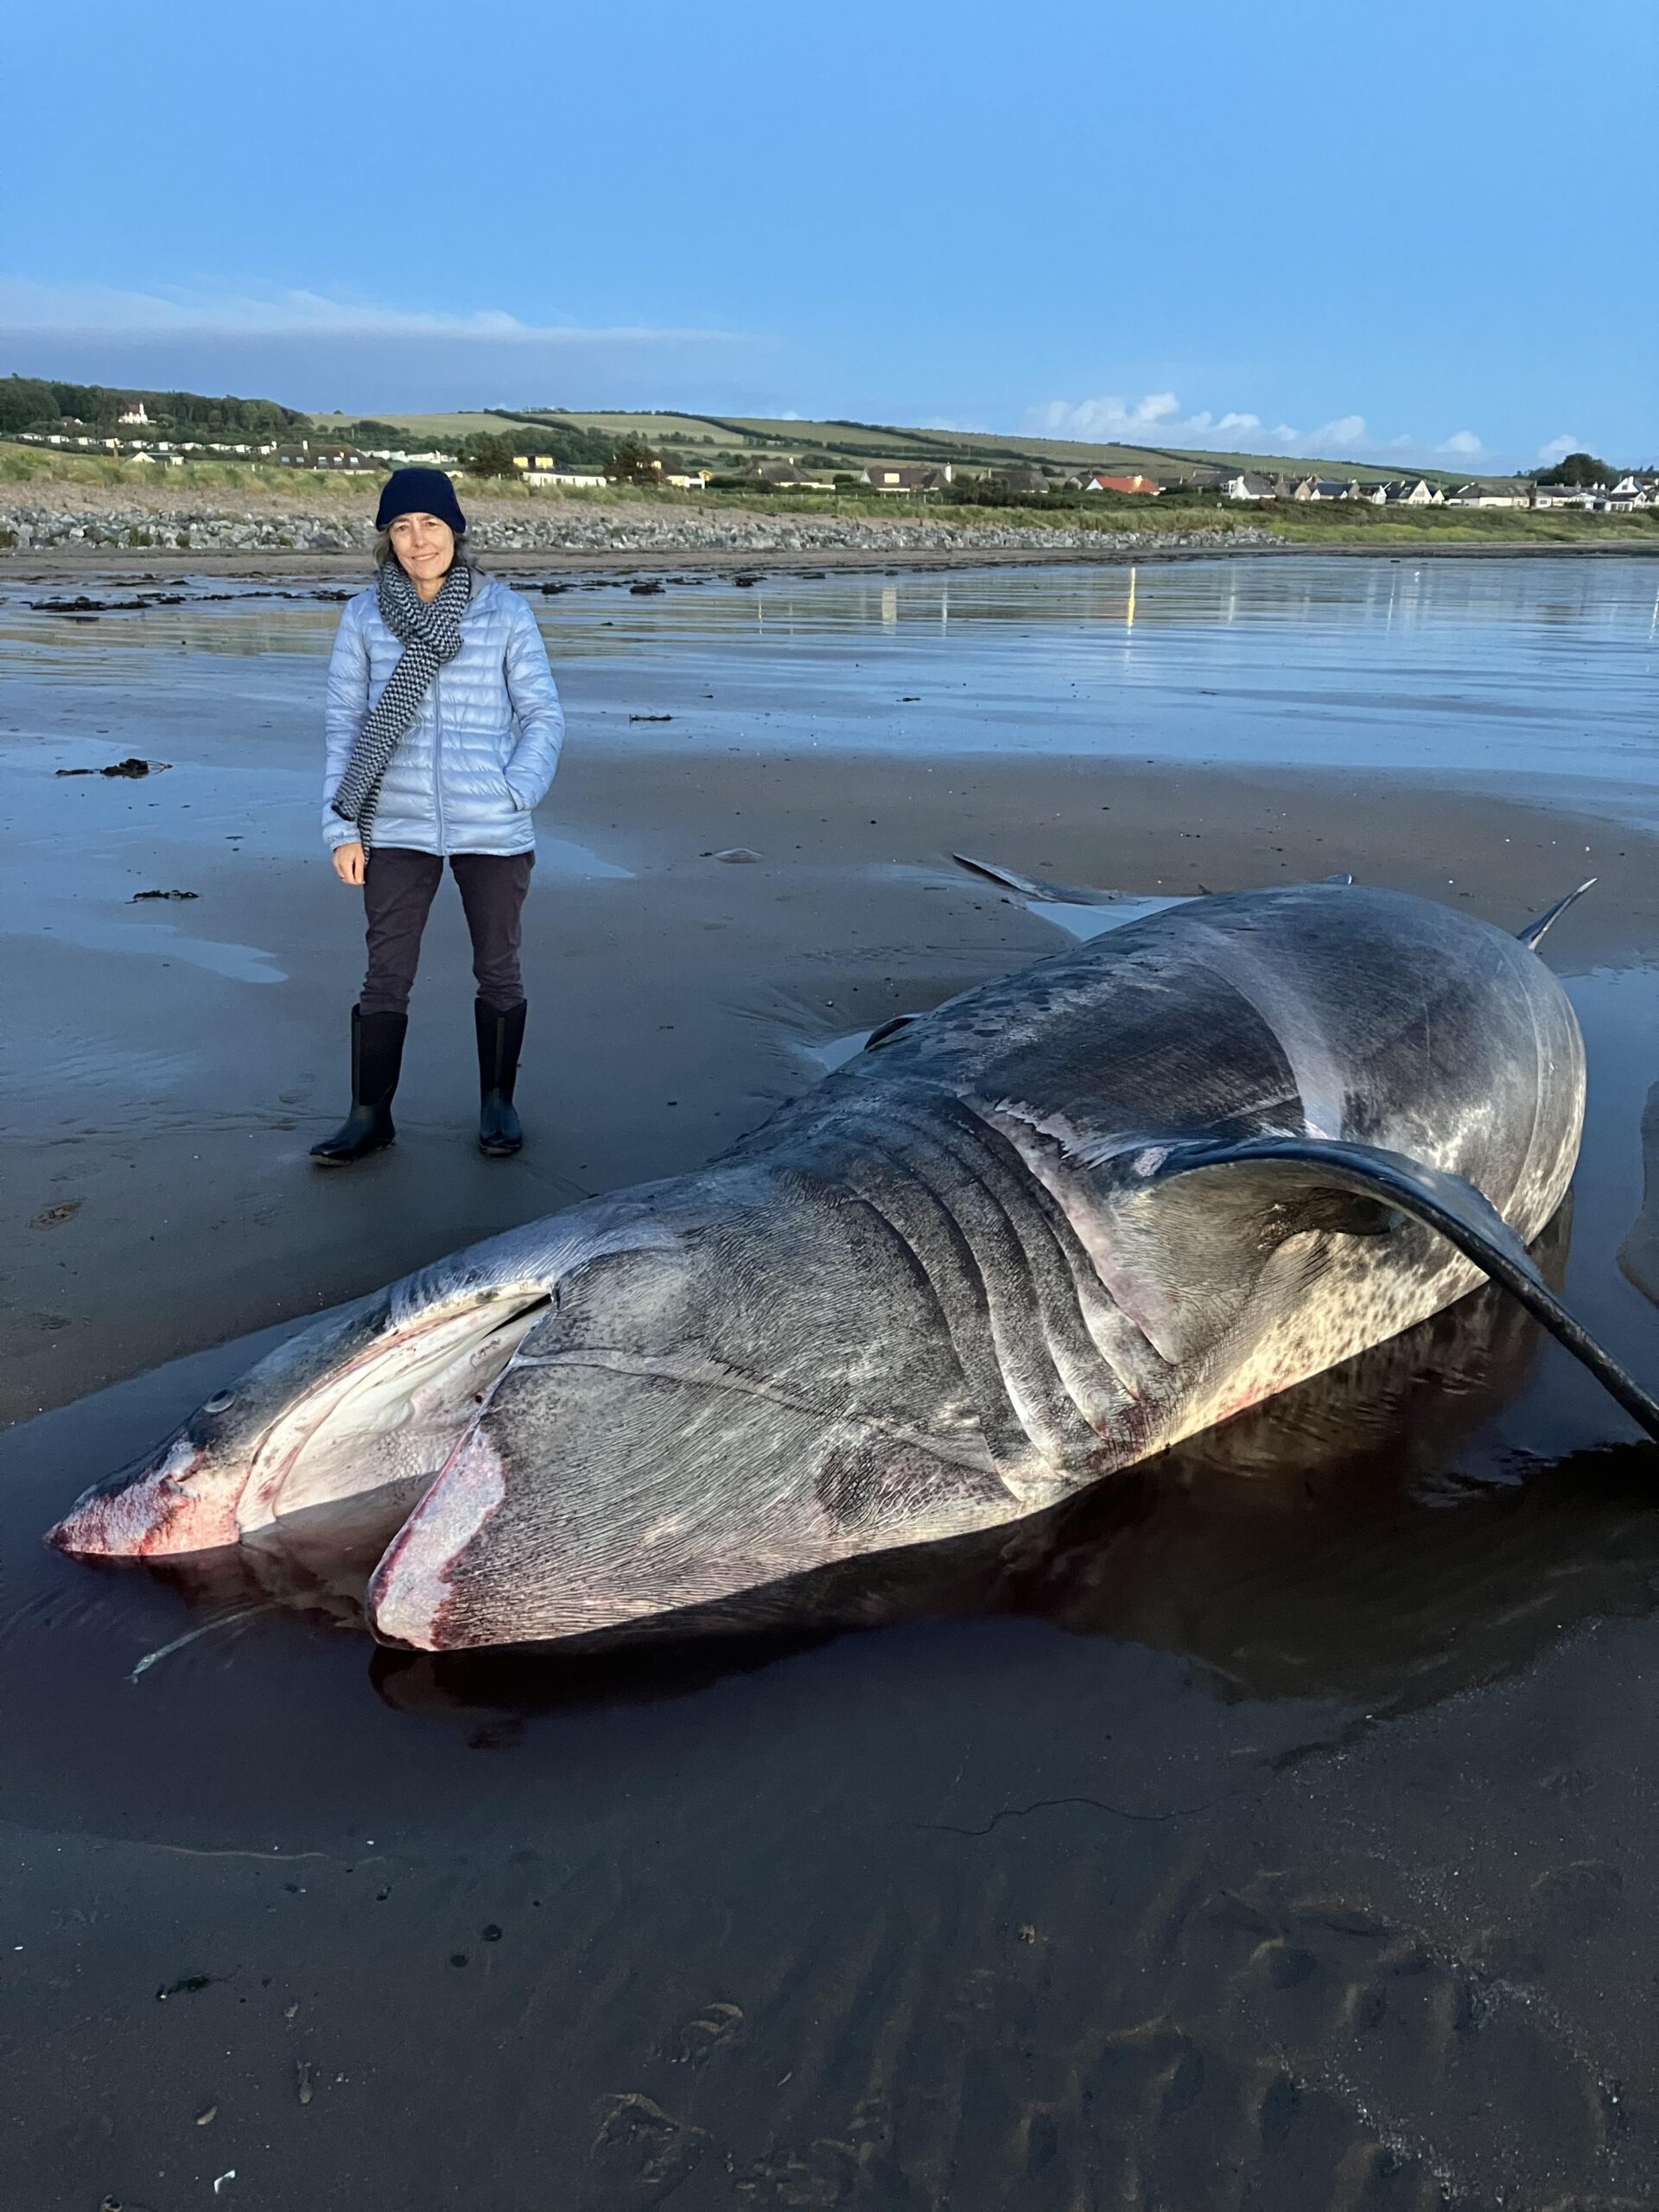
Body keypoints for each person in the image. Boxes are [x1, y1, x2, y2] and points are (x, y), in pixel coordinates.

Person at [310, 467, 563, 1166]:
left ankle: (498, 1105)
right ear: (386, 539)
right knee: (385, 974)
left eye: (430, 524)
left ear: (456, 530)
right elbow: (344, 727)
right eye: (401, 527)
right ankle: (369, 1117)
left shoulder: (504, 612)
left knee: (499, 968)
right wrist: (341, 828)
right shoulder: (364, 616)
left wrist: (516, 791)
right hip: (393, 821)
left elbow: (543, 715)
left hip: (493, 822)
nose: (418, 540)